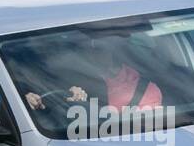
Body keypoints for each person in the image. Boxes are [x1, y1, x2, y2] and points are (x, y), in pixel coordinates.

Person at [24, 35, 162, 112]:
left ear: (115, 50)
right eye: (86, 47)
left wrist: (84, 105)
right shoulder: (67, 78)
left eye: (99, 47)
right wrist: (31, 101)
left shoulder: (146, 90)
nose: (92, 50)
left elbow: (144, 131)